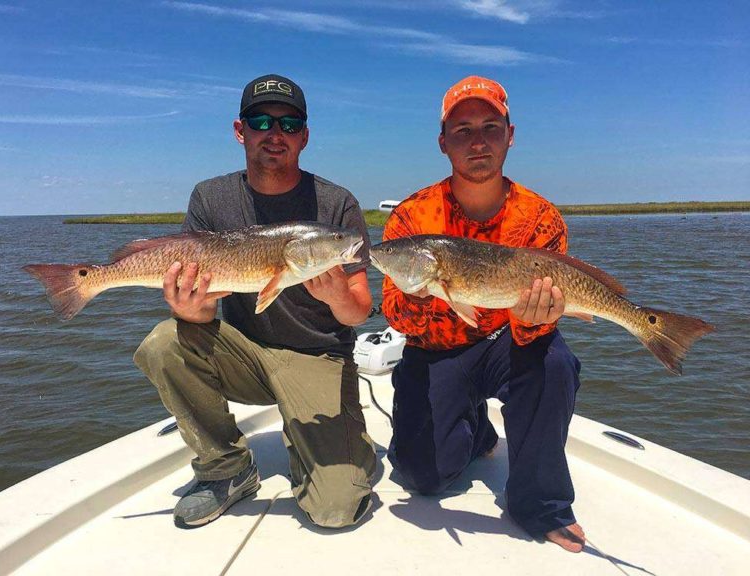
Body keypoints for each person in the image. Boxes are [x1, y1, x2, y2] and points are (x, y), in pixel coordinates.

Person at [134, 74, 376, 530]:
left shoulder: (337, 204)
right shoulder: (210, 197)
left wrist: (340, 294)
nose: (275, 134)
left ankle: (323, 444)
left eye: (289, 124)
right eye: (261, 121)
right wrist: (189, 306)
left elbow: (360, 311)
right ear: (240, 130)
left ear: (305, 135)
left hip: (318, 355)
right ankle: (227, 469)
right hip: (244, 354)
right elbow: (203, 315)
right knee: (164, 342)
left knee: (334, 508)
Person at [381, 76, 585, 552]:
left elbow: (537, 326)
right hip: (434, 354)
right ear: (443, 143)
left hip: (506, 341)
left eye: (490, 127)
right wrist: (423, 290)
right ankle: (475, 431)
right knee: (421, 477)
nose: (477, 142)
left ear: (510, 135)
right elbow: (396, 316)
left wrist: (539, 315)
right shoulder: (411, 218)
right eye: (462, 130)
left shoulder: (540, 219)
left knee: (555, 362)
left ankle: (539, 504)